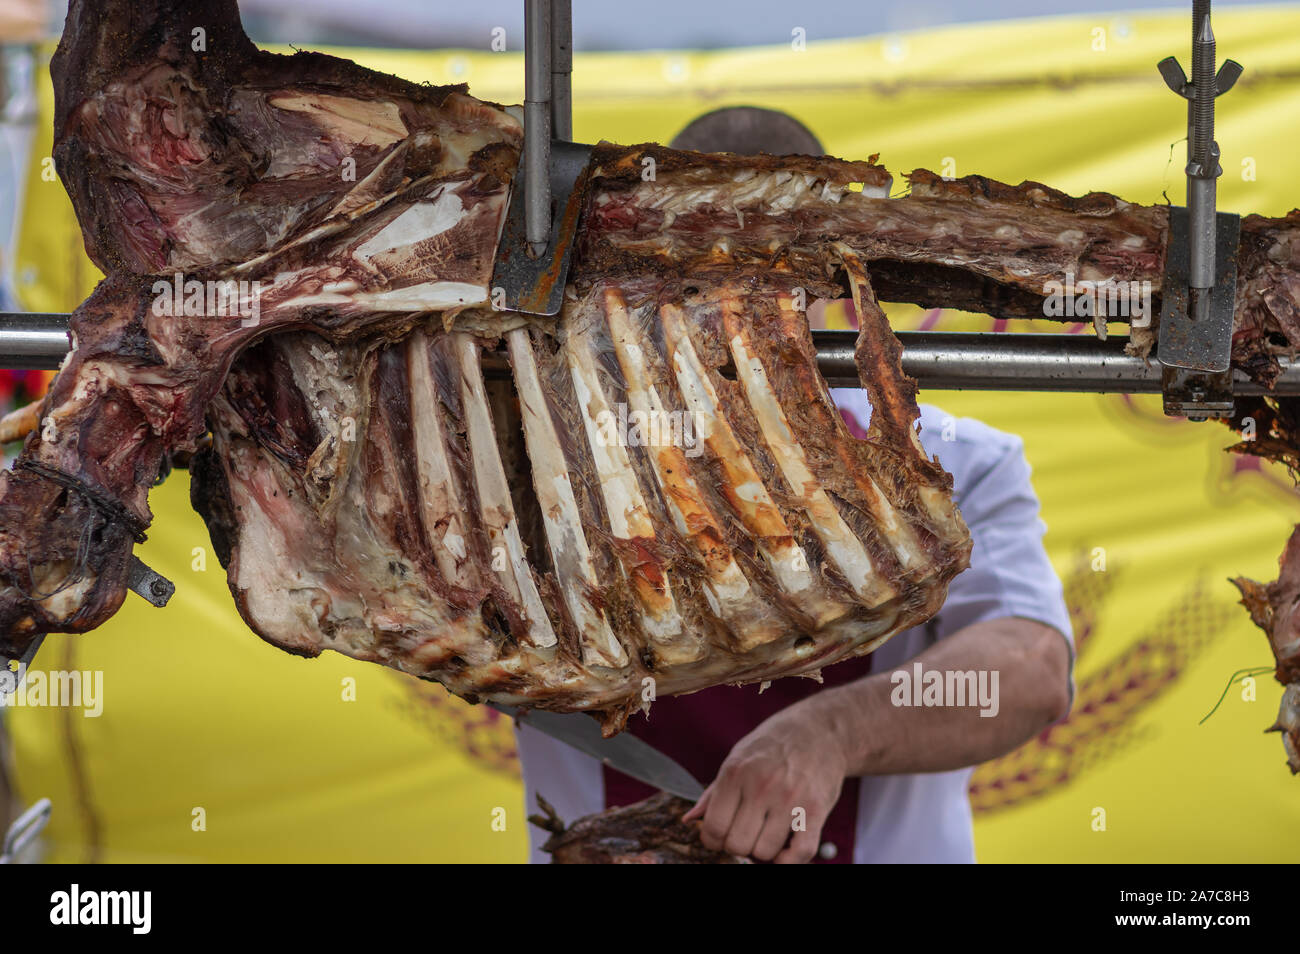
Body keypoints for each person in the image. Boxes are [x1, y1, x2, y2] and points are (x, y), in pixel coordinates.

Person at [517, 107, 1075, 864]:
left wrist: (832, 733)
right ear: (634, 277)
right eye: (693, 272)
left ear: (827, 282)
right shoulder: (539, 464)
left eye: (769, 275)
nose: (728, 312)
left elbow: (1029, 674)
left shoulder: (951, 464)